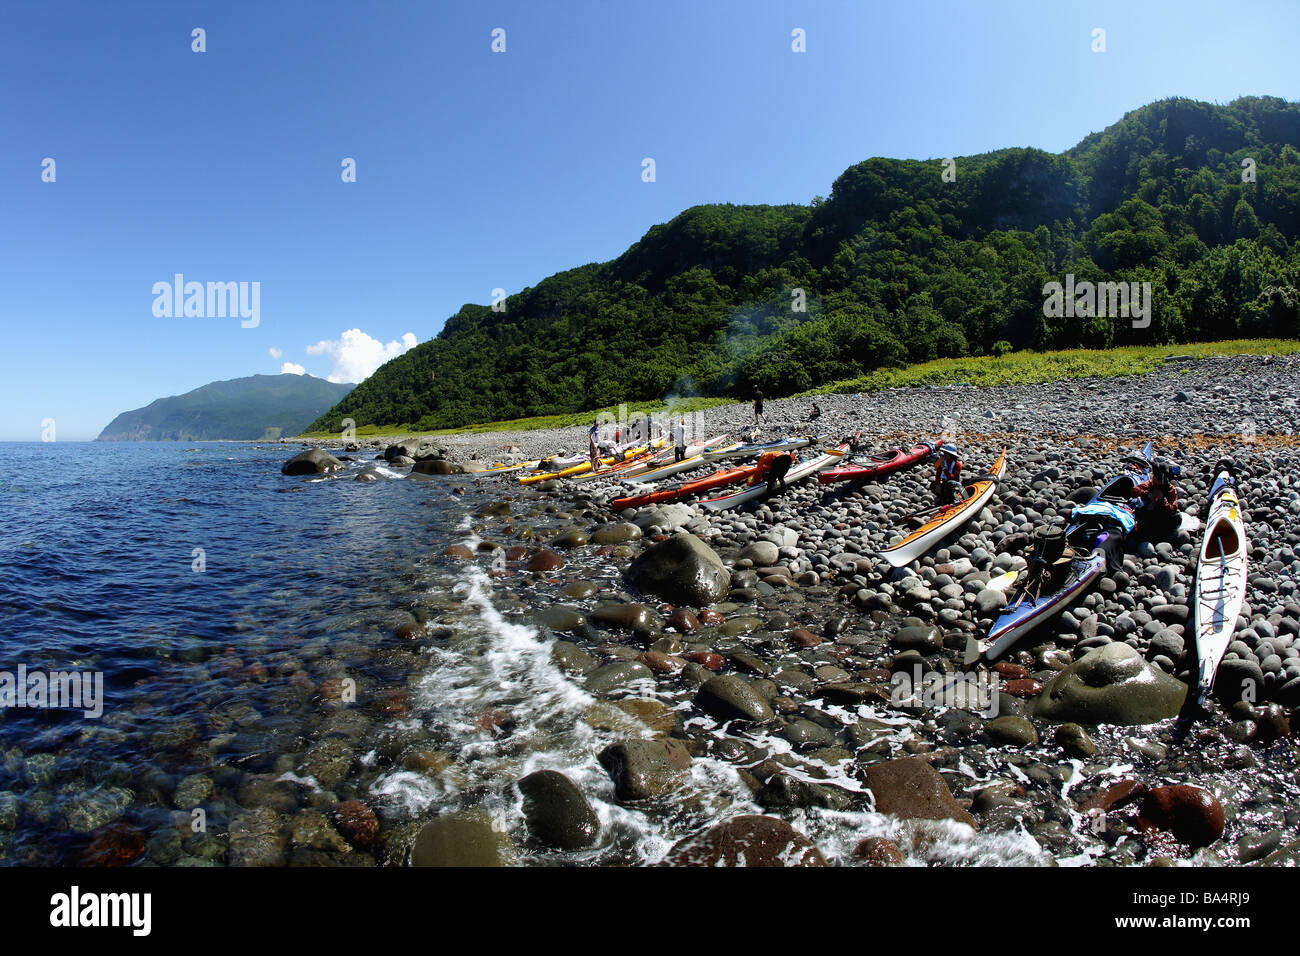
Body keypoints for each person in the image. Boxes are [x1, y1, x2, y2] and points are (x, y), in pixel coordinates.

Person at [1130, 456, 1181, 539]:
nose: (1155, 480)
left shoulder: (1170, 489)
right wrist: (1147, 494)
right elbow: (1134, 491)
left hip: (1163, 517)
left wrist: (1162, 500)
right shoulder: (1150, 484)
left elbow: (1173, 509)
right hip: (1149, 515)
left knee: (1178, 518)